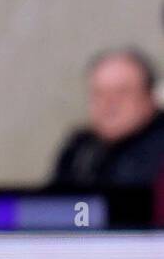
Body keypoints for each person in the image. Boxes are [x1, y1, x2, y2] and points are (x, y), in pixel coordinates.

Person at [50, 50, 164, 190]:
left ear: (150, 97)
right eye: (99, 94)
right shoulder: (79, 150)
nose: (108, 103)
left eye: (122, 92)